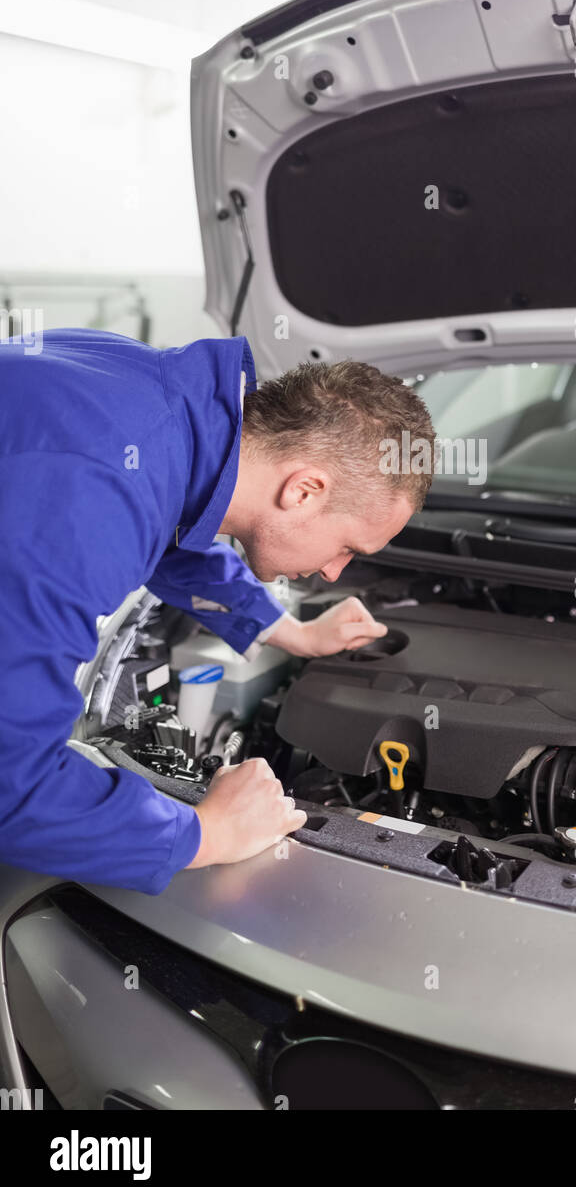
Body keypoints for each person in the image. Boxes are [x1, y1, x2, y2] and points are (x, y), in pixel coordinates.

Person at [0, 328, 434, 893]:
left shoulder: (156, 410)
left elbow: (172, 524)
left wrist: (285, 631)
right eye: (348, 547)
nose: (334, 572)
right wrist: (205, 834)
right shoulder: (94, 492)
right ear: (304, 490)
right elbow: (12, 780)